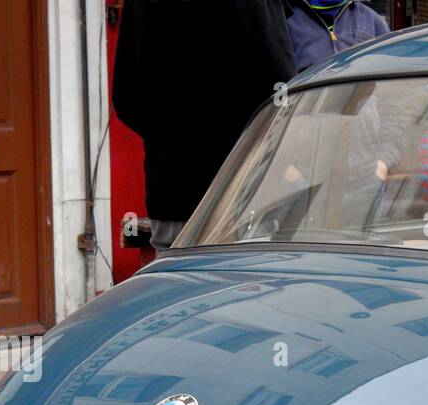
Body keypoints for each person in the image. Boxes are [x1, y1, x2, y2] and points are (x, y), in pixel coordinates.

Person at [113, 0, 297, 251]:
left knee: (174, 283)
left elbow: (126, 99)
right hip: (241, 191)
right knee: (243, 281)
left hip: (171, 189)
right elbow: (282, 85)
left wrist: (167, 140)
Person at [284, 1, 390, 75]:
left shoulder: (372, 20)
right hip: (307, 104)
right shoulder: (286, 18)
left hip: (359, 104)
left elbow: (387, 72)